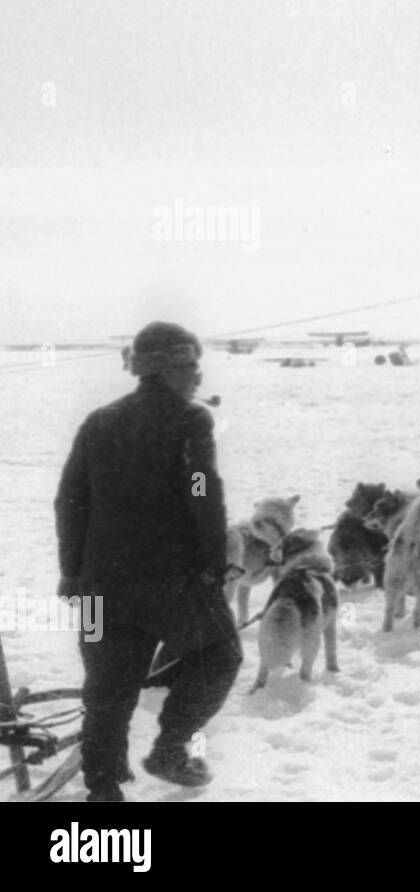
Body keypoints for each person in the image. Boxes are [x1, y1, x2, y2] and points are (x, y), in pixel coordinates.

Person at [55, 321, 242, 802]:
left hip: (98, 591)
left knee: (105, 688)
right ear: (168, 368)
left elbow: (70, 501)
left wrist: (73, 575)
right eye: (192, 366)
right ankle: (170, 748)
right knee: (221, 655)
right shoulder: (190, 421)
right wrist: (215, 564)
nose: (199, 377)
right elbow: (201, 489)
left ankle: (102, 787)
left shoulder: (99, 421)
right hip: (170, 586)